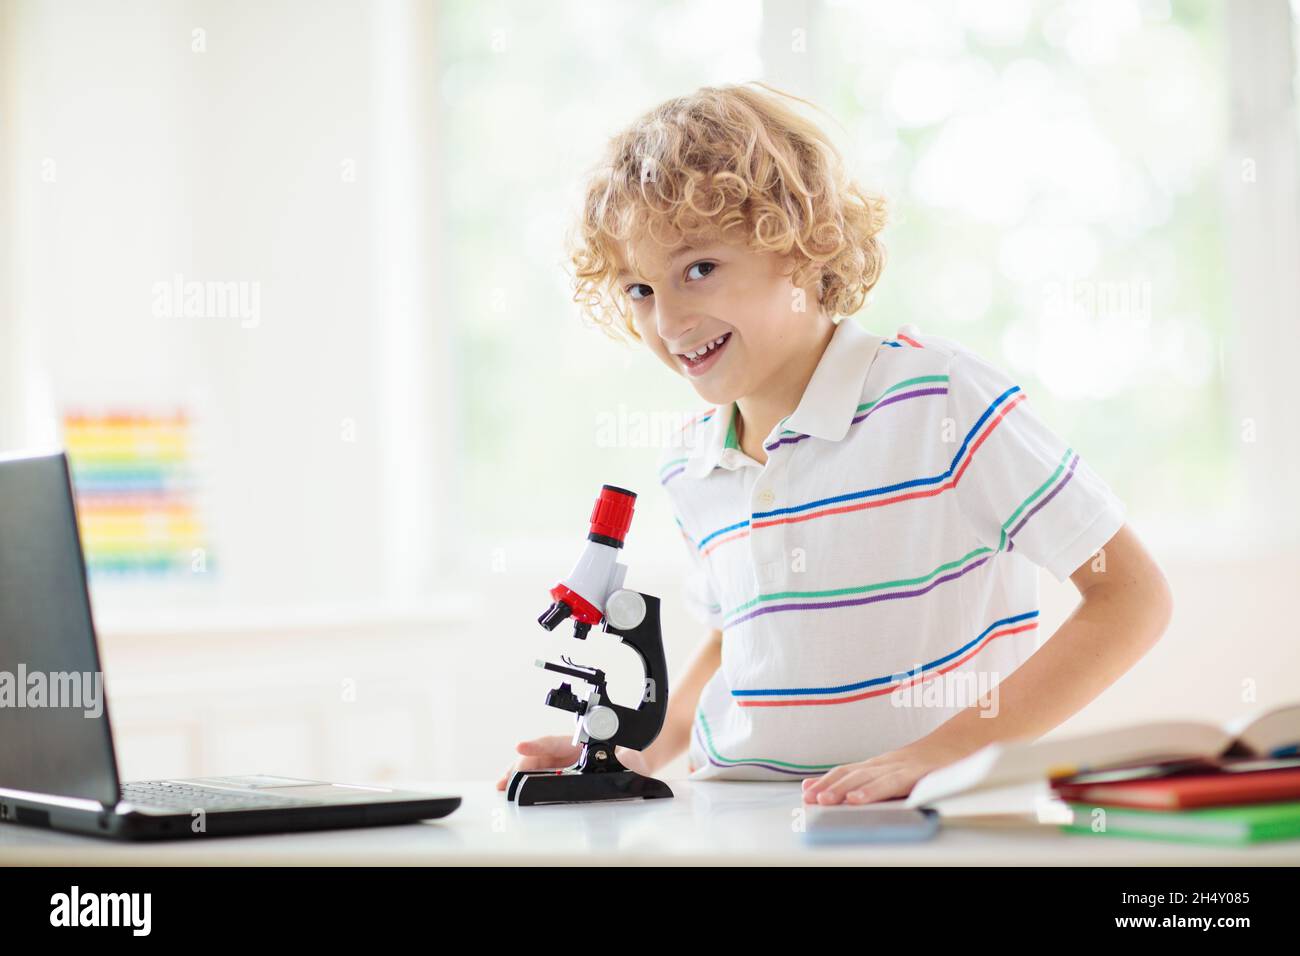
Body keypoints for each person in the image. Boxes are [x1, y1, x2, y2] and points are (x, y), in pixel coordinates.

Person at [498, 82, 1172, 805]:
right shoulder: (690, 464)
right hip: (735, 815)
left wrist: (941, 754)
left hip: (922, 823)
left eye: (699, 269)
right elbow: (743, 644)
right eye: (638, 289)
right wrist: (631, 749)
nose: (667, 321)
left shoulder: (938, 396)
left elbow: (1131, 596)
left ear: (801, 246)